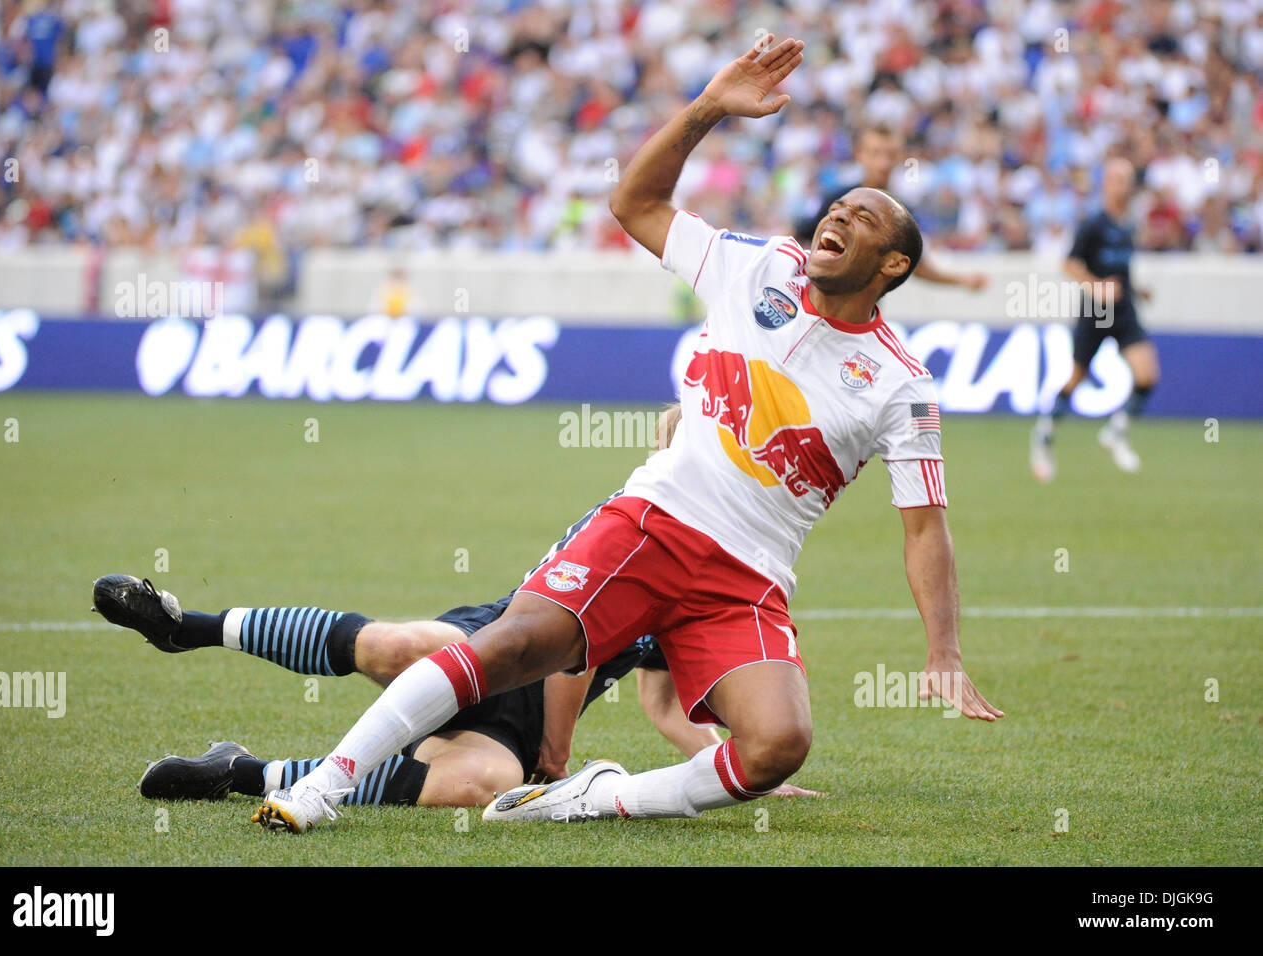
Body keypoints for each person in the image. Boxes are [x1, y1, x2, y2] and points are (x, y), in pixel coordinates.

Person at [255, 34, 1001, 834]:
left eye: (862, 218)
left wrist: (944, 652)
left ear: (890, 267)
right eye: (838, 206)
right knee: (511, 647)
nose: (838, 216)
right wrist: (710, 107)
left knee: (777, 744)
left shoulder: (902, 383)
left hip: (749, 573)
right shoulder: (758, 267)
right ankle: (322, 786)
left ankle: (587, 798)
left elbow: (926, 527)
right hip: (653, 522)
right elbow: (635, 205)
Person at [94, 408, 820, 810]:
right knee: (401, 647)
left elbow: (665, 707)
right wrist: (559, 753)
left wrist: (749, 769)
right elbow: (584, 646)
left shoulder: (714, 572)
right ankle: (186, 629)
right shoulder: (631, 521)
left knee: (480, 785)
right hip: (497, 638)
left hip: (521, 717)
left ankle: (243, 772)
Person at [1030, 156, 1158, 481]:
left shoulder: (1128, 224)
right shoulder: (1094, 224)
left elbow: (1120, 268)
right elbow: (1069, 263)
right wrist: (1096, 287)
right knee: (1076, 378)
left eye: (1128, 179)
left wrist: (1137, 289)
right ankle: (1044, 435)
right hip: (1096, 311)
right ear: (1106, 183)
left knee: (1147, 375)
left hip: (1125, 308)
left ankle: (1116, 431)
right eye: (1117, 179)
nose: (1123, 186)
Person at [794, 125, 989, 292]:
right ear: (860, 154)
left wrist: (962, 280)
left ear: (900, 157)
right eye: (875, 153)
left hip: (862, 314)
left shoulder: (901, 213)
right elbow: (798, 234)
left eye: (890, 154)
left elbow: (916, 266)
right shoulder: (838, 200)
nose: (883, 163)